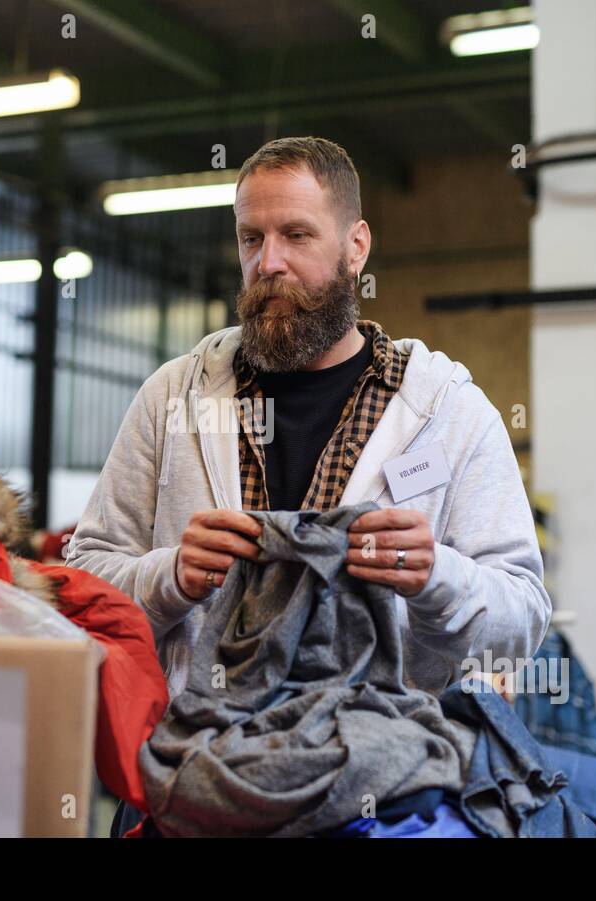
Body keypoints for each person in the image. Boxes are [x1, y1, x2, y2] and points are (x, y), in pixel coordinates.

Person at [66, 135, 550, 701]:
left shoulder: (449, 414)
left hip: (380, 771)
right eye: (252, 239)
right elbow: (82, 588)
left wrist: (436, 578)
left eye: (296, 235)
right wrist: (169, 577)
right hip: (192, 765)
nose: (268, 263)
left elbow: (522, 624)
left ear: (356, 247)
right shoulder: (173, 398)